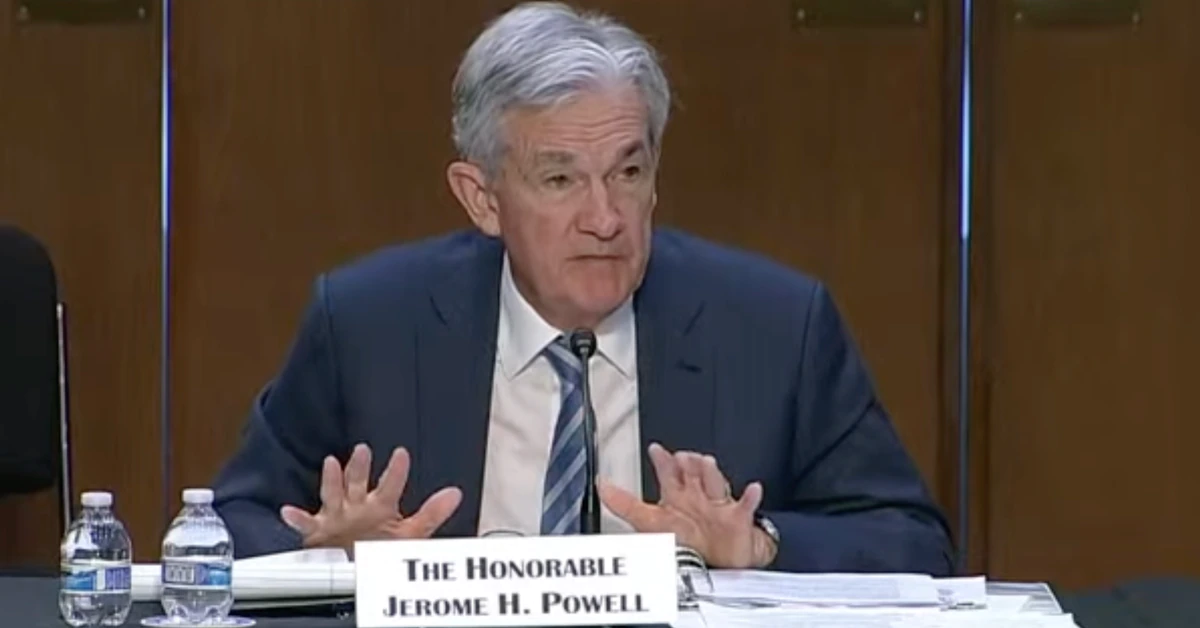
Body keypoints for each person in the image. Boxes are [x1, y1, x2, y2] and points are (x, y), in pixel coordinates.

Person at [211, 1, 954, 575]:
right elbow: (227, 528)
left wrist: (759, 544)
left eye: (628, 173)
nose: (605, 218)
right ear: (482, 199)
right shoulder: (367, 324)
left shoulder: (776, 327)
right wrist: (326, 557)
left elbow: (914, 544)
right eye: (560, 179)